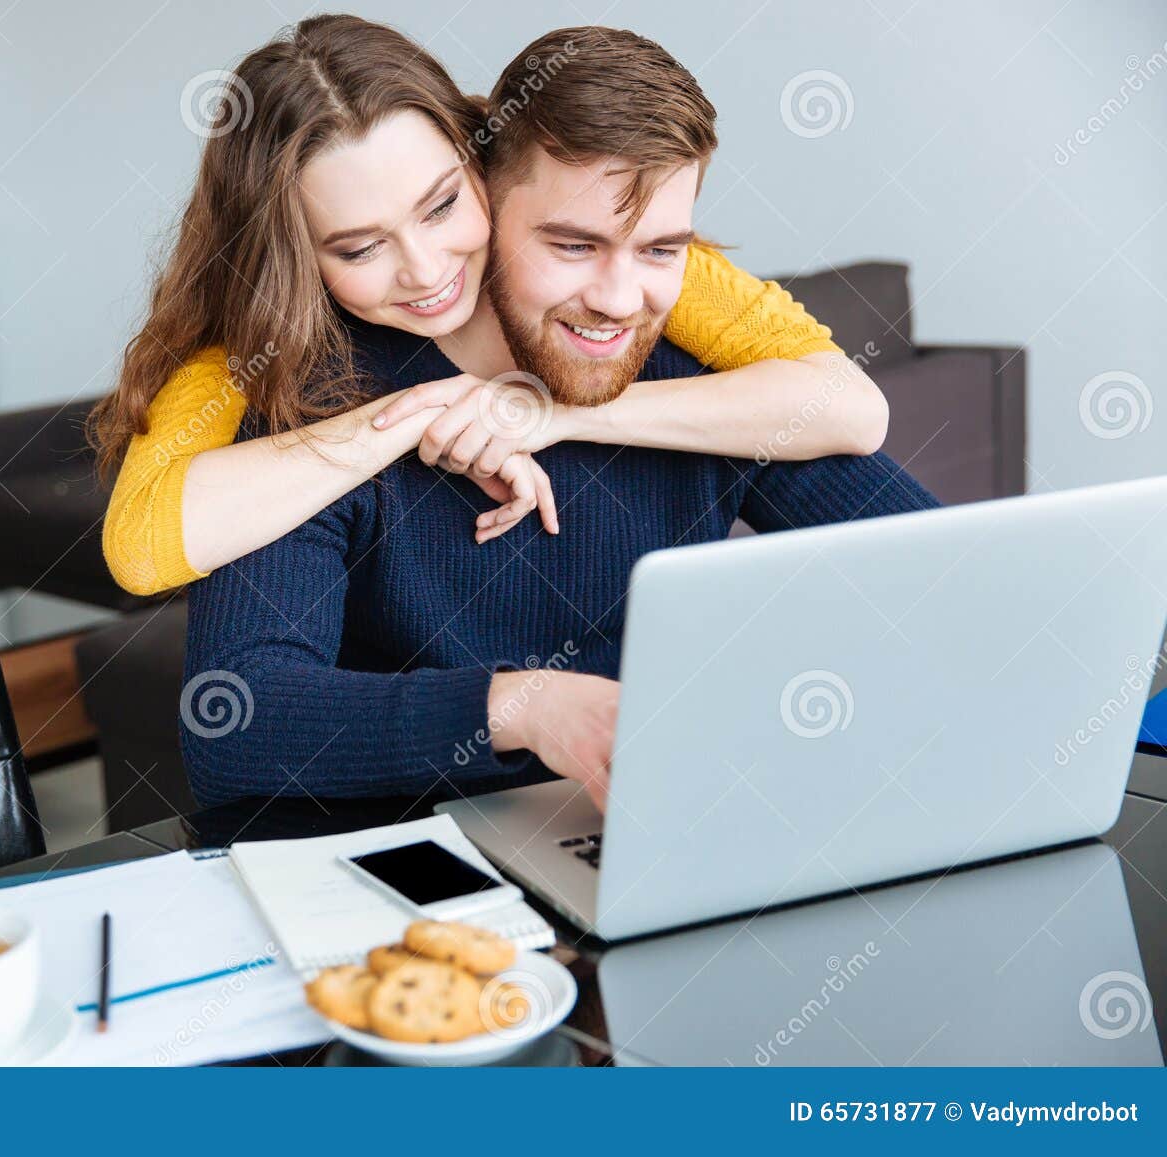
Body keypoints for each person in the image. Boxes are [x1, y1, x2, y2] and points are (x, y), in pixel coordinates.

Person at [178, 26, 939, 810]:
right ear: (488, 197)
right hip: (440, 858)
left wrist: (564, 417)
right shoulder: (317, 408)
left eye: (659, 250)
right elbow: (233, 732)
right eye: (573, 245)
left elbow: (934, 576)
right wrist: (526, 708)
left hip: (659, 821)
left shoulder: (693, 371)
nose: (618, 300)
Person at [89, 15, 890, 598]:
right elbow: (141, 547)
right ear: (295, 254)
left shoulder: (605, 250)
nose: (427, 269)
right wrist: (421, 412)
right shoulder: (251, 342)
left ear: (478, 163)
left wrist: (551, 412)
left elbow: (850, 408)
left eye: (442, 207)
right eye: (360, 248)